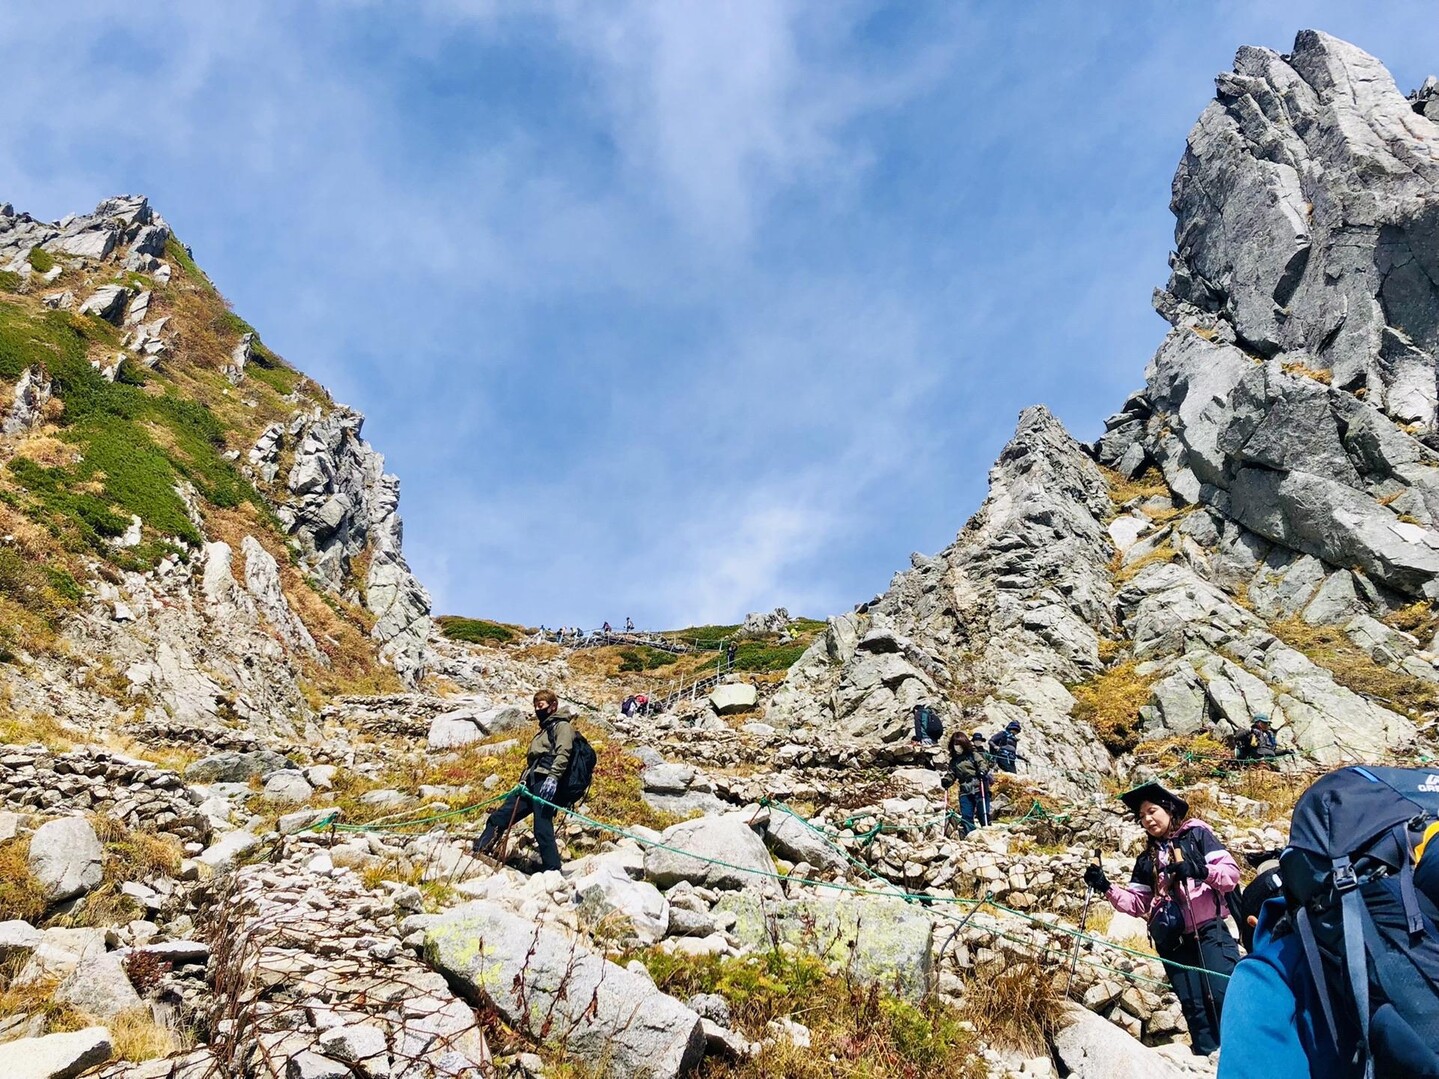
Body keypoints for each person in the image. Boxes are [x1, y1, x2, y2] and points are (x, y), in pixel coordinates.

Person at [1084, 781, 1240, 1056]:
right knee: (1193, 1006)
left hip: (1210, 930)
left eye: (1152, 811)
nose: (1147, 819)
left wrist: (1199, 870)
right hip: (1173, 942)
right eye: (1142, 816)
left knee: (1223, 994)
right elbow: (1137, 903)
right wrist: (1106, 887)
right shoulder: (1146, 859)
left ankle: (1241, 1057)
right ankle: (1208, 1060)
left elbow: (1230, 875)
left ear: (1169, 809)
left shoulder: (1197, 835)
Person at [472, 690, 573, 873]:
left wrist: (553, 777)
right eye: (535, 706)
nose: (537, 710)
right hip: (530, 782)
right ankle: (480, 849)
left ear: (553, 706)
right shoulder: (545, 728)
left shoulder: (562, 726)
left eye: (540, 706)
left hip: (545, 782)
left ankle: (552, 870)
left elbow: (563, 753)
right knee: (501, 815)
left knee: (542, 827)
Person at [940, 732, 992, 833]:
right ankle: (970, 835)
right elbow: (951, 774)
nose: (957, 746)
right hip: (964, 789)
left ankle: (986, 833)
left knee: (983, 813)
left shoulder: (973, 755)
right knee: (966, 815)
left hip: (979, 786)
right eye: (955, 744)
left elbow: (983, 764)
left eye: (959, 744)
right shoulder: (954, 761)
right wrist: (947, 780)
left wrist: (982, 771)